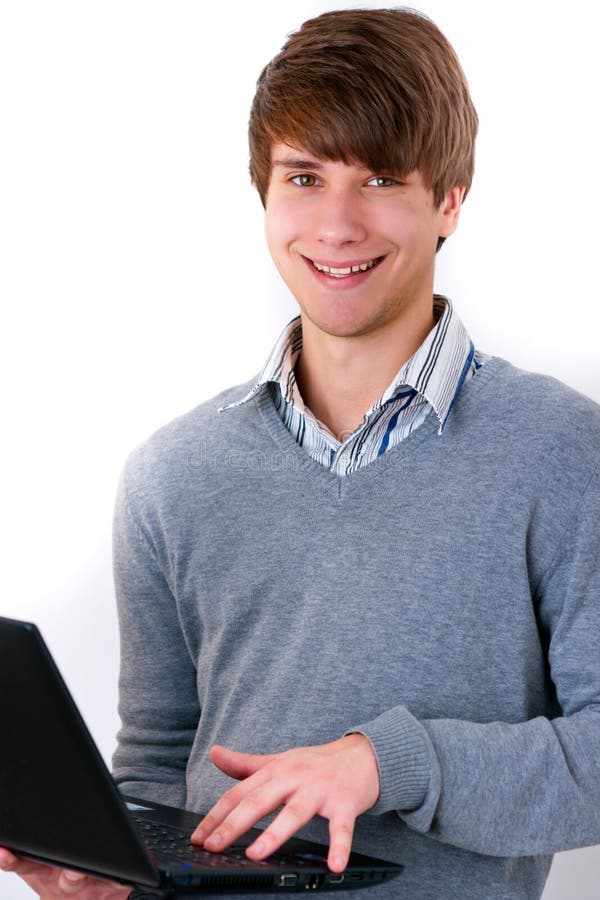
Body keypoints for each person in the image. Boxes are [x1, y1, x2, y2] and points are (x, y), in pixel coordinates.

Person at [2, 6, 600, 899]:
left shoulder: (562, 453)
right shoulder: (173, 475)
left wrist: (384, 763)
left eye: (381, 179)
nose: (336, 225)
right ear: (264, 193)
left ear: (450, 200)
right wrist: (115, 878)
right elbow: (156, 772)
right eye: (305, 177)